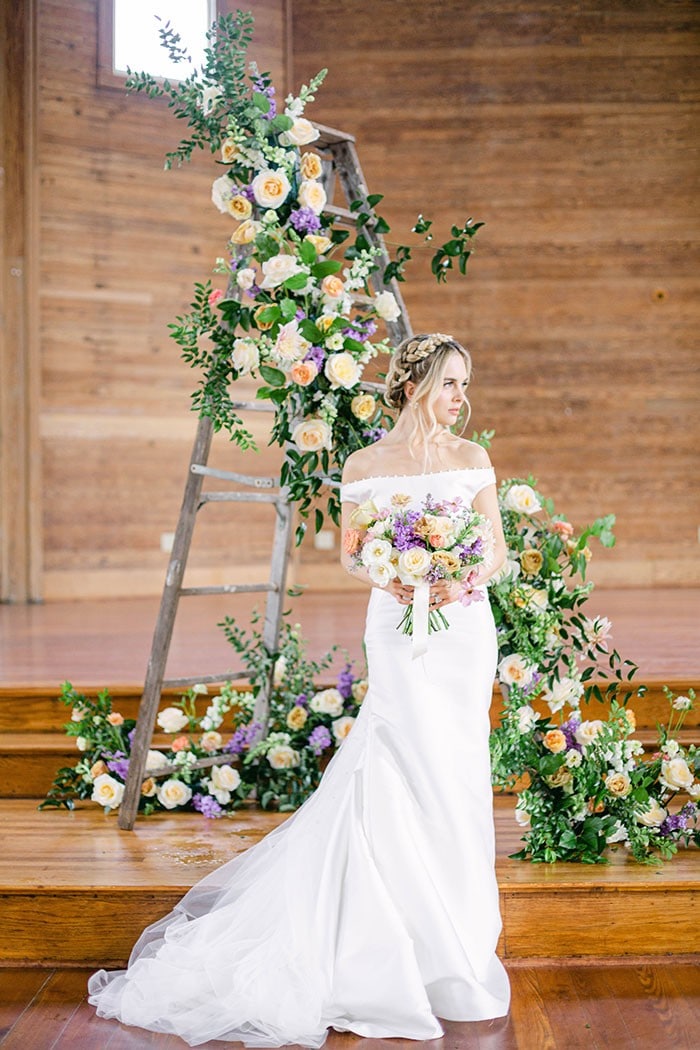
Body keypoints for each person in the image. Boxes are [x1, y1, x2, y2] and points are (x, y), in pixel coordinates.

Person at [88, 333, 510, 1046]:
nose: (460, 398)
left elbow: (494, 547)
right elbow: (354, 553)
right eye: (448, 384)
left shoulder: (471, 459)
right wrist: (397, 574)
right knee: (400, 758)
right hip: (397, 626)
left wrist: (460, 576)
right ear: (411, 387)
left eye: (464, 384)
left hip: (464, 629)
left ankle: (457, 941)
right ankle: (387, 938)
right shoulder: (366, 463)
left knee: (458, 771)